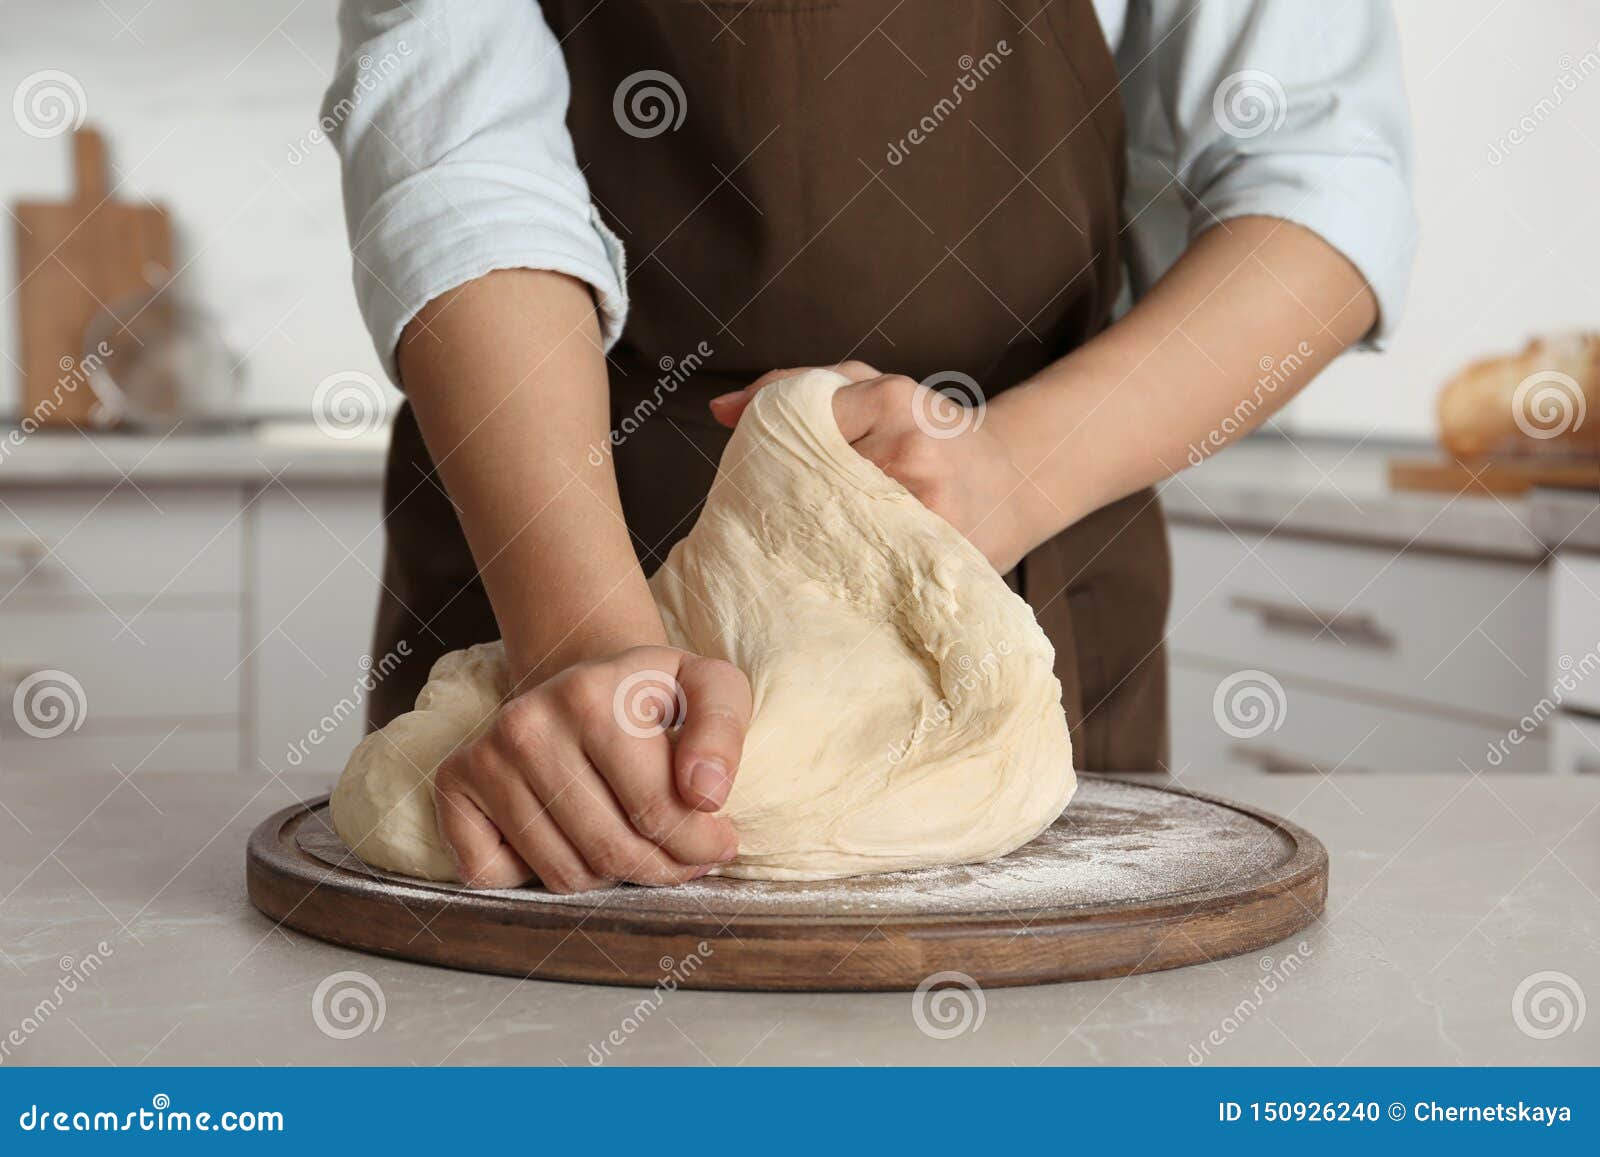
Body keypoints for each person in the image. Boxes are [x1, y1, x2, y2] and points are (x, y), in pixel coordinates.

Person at [324, 0, 1415, 891]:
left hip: (1019, 541)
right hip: (560, 520)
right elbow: (456, 158)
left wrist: (1005, 472)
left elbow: (1319, 176)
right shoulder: (562, 620)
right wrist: (577, 640)